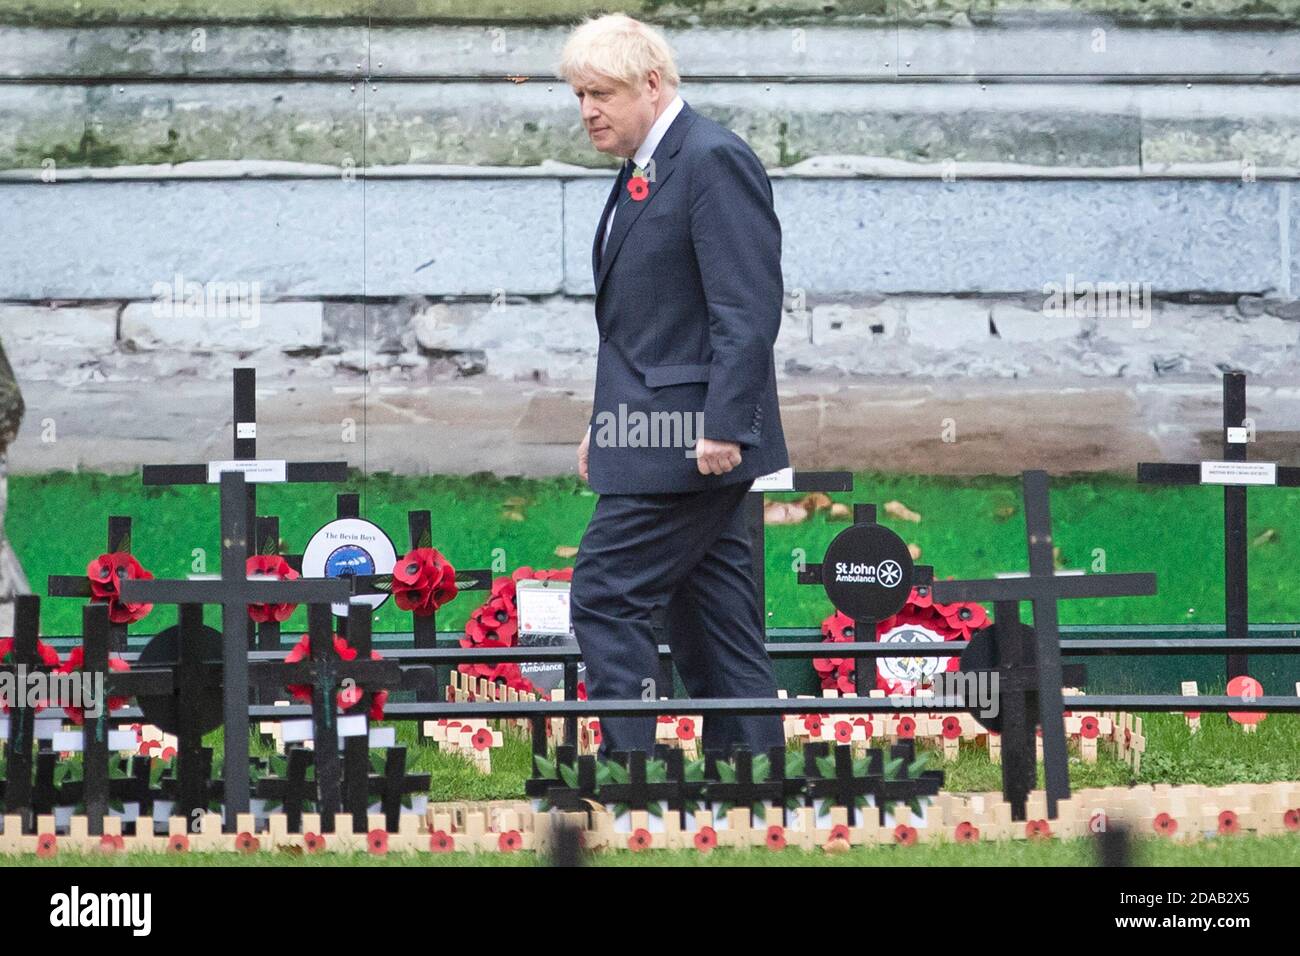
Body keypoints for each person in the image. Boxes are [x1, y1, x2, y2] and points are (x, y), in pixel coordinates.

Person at [556, 14, 789, 759]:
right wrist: (607, 426)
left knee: (603, 593)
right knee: (710, 616)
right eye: (579, 95)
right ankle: (756, 777)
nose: (587, 110)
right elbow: (642, 325)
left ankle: (631, 771)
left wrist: (725, 422)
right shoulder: (647, 167)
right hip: (652, 431)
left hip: (691, 443)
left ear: (651, 84)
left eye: (601, 93)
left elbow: (746, 309)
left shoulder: (713, 159)